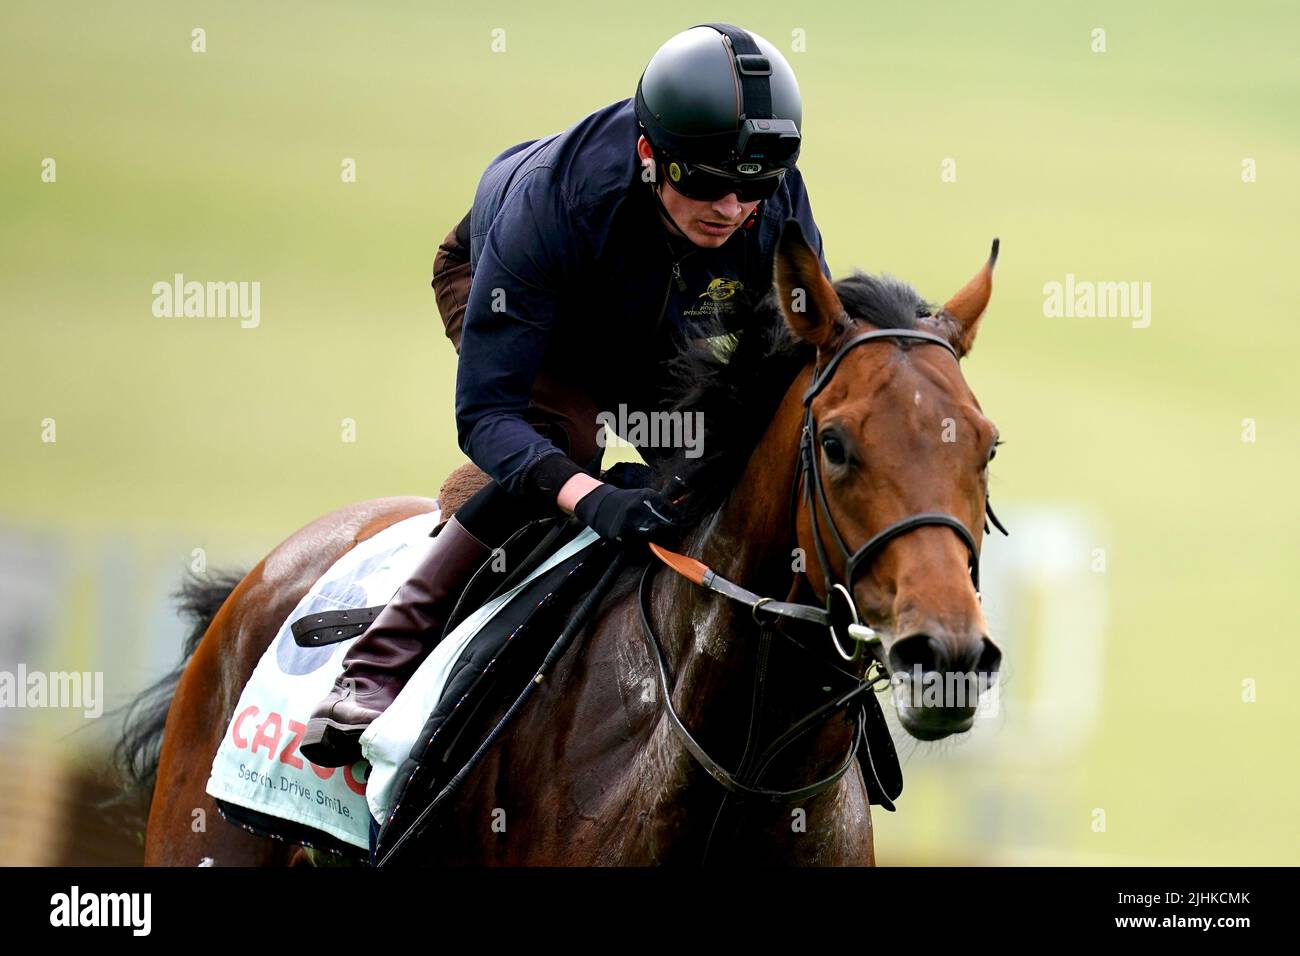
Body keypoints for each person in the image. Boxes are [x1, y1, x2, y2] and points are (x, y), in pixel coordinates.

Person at [300, 22, 831, 767]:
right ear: (650, 155)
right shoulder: (557, 203)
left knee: (719, 462)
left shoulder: (770, 201)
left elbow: (797, 361)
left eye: (754, 188)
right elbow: (486, 416)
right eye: (706, 182)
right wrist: (592, 497)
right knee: (564, 443)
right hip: (529, 300)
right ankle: (376, 665)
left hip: (661, 321)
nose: (733, 208)